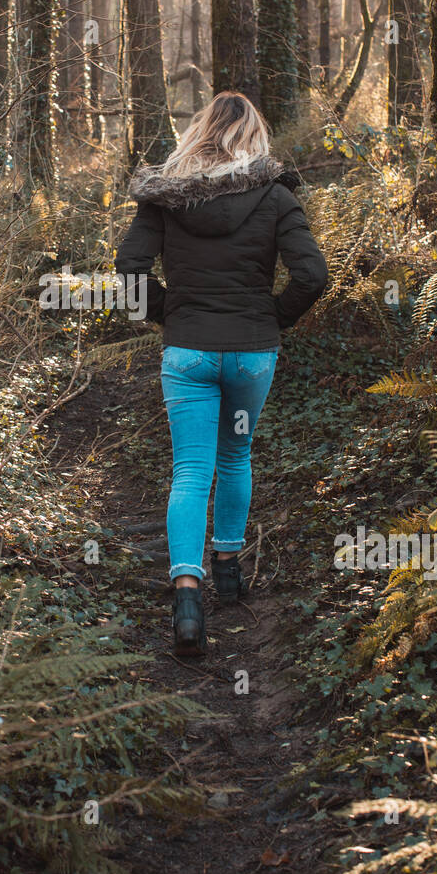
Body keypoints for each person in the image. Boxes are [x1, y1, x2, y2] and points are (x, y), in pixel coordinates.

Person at [115, 91, 328, 655]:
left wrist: (166, 312)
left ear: (200, 131)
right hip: (251, 353)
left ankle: (188, 600)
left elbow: (130, 267)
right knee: (235, 454)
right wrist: (271, 319)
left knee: (190, 469)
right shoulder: (276, 195)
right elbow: (312, 274)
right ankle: (229, 571)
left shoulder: (165, 197)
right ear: (255, 135)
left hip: (188, 352)